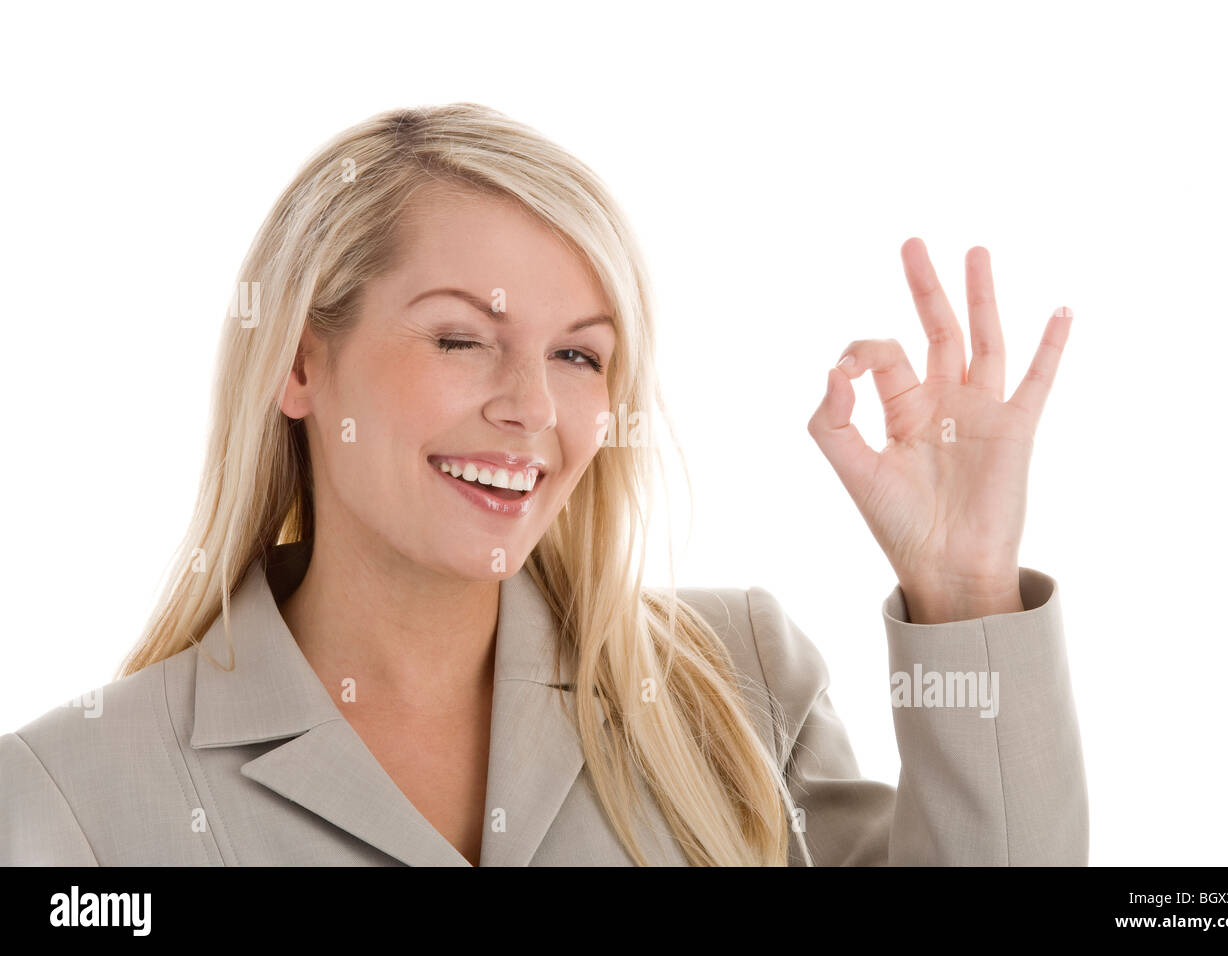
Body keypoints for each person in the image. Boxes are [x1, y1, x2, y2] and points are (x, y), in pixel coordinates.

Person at [0, 104, 1086, 866]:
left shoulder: (737, 689)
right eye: (463, 337)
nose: (530, 407)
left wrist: (966, 588)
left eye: (578, 355)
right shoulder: (74, 797)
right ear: (297, 361)